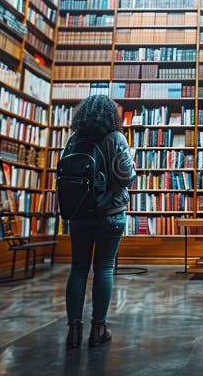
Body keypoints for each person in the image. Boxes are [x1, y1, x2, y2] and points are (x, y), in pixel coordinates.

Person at [62, 95, 135, 349]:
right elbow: (126, 177)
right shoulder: (115, 139)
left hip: (79, 215)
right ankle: (98, 329)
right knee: (103, 269)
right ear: (110, 116)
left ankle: (73, 331)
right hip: (110, 215)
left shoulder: (74, 140)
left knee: (78, 269)